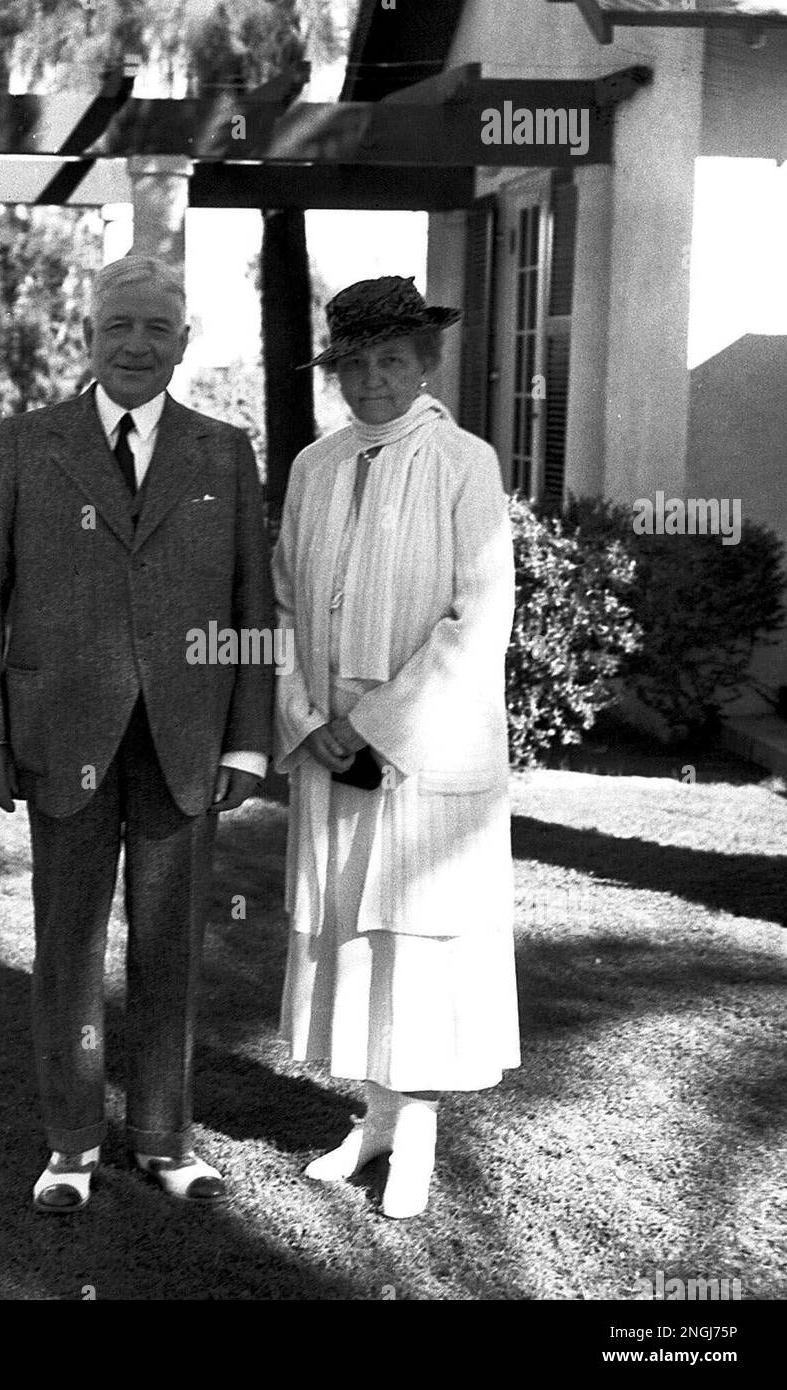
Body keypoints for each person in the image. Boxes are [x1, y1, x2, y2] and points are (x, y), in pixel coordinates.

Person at [0, 254, 275, 1213]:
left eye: (158, 330)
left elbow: (254, 604)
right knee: (69, 943)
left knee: (170, 945)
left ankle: (167, 1141)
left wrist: (247, 741)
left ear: (184, 343)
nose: (138, 345)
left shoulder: (224, 451)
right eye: (118, 327)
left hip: (184, 739)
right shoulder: (26, 442)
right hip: (62, 734)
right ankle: (70, 1146)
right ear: (88, 338)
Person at [273, 275, 520, 1220]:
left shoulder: (465, 461)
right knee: (354, 928)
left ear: (425, 364)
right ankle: (374, 1116)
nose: (372, 381)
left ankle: (414, 1128)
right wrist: (306, 716)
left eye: (392, 361)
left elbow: (478, 614)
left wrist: (376, 727)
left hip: (424, 746)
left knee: (416, 931)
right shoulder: (315, 466)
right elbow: (287, 602)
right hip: (330, 748)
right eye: (355, 364)